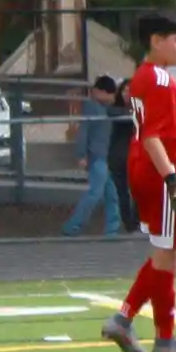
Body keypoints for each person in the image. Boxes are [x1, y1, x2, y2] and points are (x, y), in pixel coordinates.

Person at [98, 12, 176, 352]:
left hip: (151, 172)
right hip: (163, 173)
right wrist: (173, 180)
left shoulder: (148, 77)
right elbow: (152, 137)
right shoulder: (158, 79)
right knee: (166, 254)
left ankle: (159, 335)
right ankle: (135, 323)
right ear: (155, 41)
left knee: (169, 252)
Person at [60, 78, 123, 237]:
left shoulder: (103, 108)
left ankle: (112, 228)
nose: (111, 98)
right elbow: (83, 132)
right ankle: (73, 226)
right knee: (95, 193)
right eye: (108, 94)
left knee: (111, 193)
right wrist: (81, 154)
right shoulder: (91, 108)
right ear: (99, 92)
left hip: (102, 157)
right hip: (96, 156)